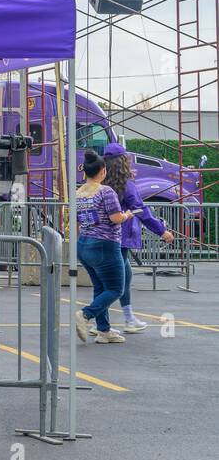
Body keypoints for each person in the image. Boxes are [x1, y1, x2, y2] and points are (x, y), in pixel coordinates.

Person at [102, 142, 173, 333]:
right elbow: (142, 211)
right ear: (123, 162)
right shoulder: (127, 186)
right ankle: (104, 318)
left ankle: (109, 320)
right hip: (121, 236)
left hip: (101, 236)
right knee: (121, 279)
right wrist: (161, 230)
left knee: (110, 279)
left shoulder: (100, 184)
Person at [75, 149, 134, 344]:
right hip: (105, 244)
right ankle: (85, 315)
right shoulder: (106, 191)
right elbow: (115, 218)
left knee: (100, 287)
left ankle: (103, 330)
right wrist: (128, 215)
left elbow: (76, 221)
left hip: (84, 243)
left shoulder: (79, 192)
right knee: (116, 288)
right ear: (102, 171)